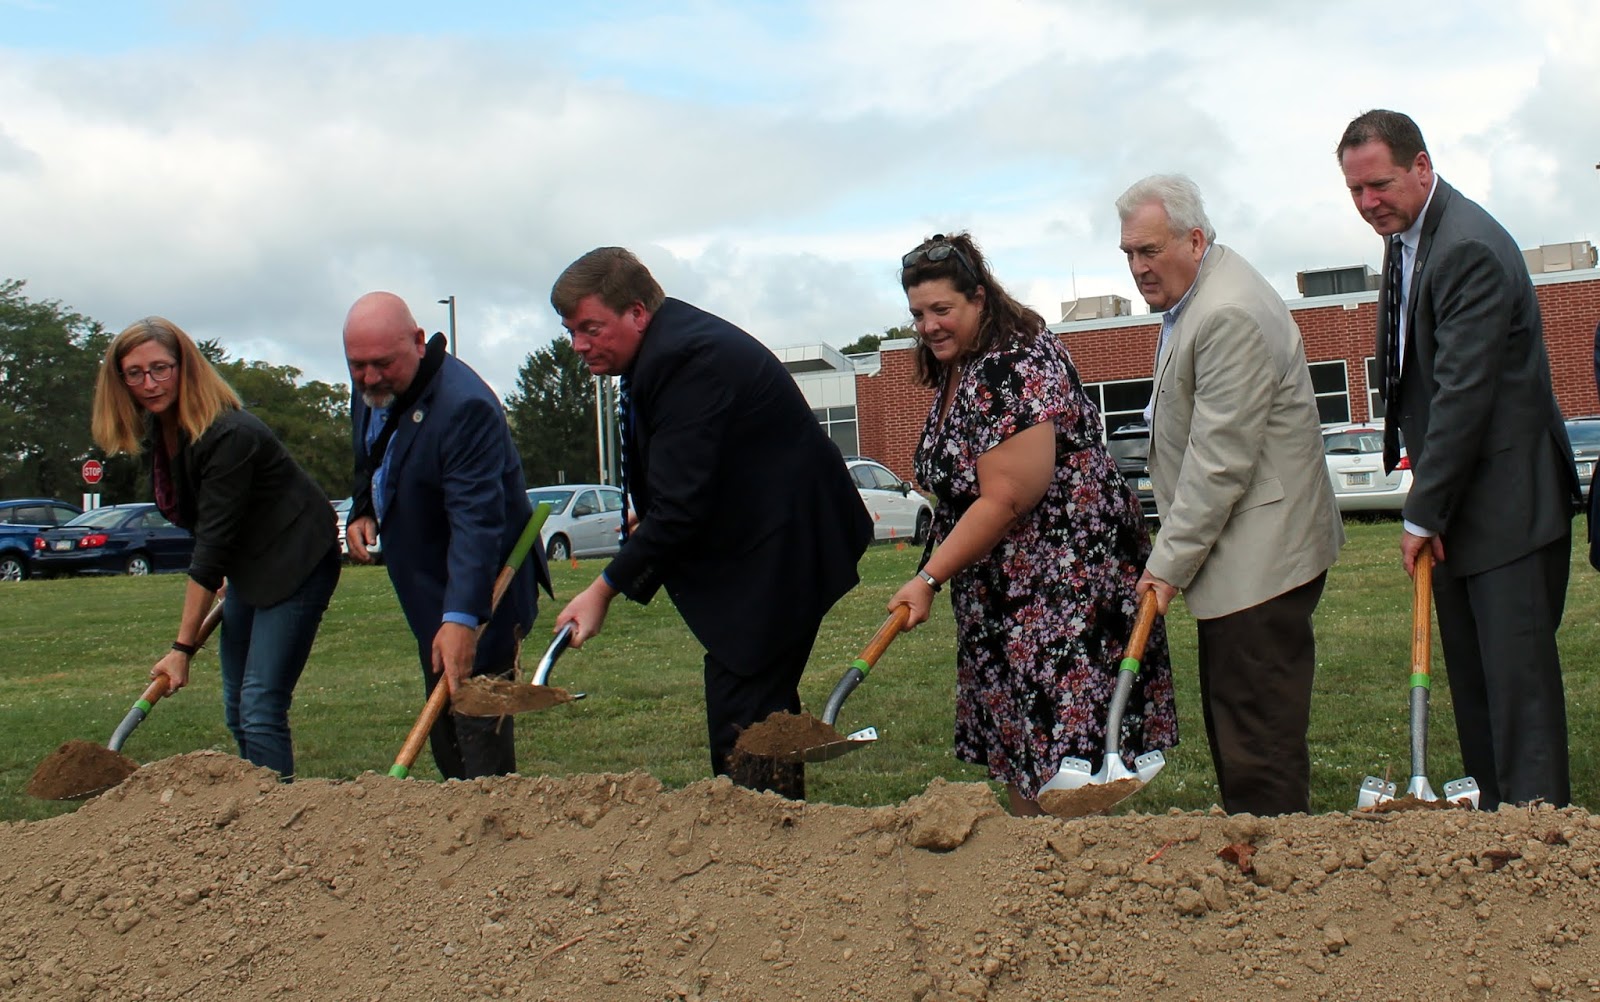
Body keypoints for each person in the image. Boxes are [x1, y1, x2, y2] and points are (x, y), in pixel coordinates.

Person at [549, 247, 872, 801]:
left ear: (636, 313)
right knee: (755, 704)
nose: (578, 345)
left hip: (786, 549)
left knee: (743, 712)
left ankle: (763, 845)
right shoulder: (667, 349)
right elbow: (698, 471)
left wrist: (602, 590)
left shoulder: (685, 359)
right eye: (571, 331)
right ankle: (775, 835)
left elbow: (681, 510)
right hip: (770, 542)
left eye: (590, 328)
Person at [885, 232, 1178, 817]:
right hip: (1003, 591)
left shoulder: (1013, 362)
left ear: (980, 299)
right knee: (1024, 741)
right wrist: (936, 570)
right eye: (918, 313)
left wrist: (930, 578)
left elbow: (1007, 498)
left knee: (1060, 750)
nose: (929, 325)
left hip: (1061, 587)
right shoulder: (958, 365)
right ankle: (1032, 869)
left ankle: (1071, 880)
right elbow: (960, 493)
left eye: (942, 310)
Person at [1337, 111, 1581, 809]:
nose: (1367, 203)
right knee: (1477, 694)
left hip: (1509, 510)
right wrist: (1436, 505)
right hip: (1465, 512)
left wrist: (1421, 511)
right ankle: (1497, 829)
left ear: (1422, 166)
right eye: (1355, 191)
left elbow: (1463, 393)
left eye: (1378, 184)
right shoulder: (1409, 241)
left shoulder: (1466, 246)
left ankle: (1540, 846)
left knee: (1518, 701)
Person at [1116, 175, 1344, 816]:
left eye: (1150, 251)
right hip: (1244, 557)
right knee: (1241, 722)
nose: (1138, 268)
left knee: (1257, 738)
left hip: (1261, 562)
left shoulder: (1226, 312)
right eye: (1129, 254)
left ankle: (1275, 873)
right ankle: (1258, 858)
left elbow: (1218, 463)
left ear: (1194, 238)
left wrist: (1166, 564)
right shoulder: (1197, 299)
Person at [91, 317, 340, 780]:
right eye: (135, 372)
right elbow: (210, 523)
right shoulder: (165, 433)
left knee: (260, 703)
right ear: (119, 379)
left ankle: (276, 820)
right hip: (250, 565)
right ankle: (256, 803)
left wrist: (181, 647)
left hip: (298, 559)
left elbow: (211, 544)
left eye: (161, 368)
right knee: (236, 707)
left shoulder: (229, 433)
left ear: (185, 367)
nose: (149, 383)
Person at [342, 292, 550, 780]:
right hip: (429, 587)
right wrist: (363, 506)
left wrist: (460, 618)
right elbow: (372, 450)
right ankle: (455, 823)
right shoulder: (372, 383)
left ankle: (492, 830)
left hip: (482, 588)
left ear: (418, 342)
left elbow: (475, 523)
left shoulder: (464, 408)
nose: (369, 378)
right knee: (445, 729)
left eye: (382, 364)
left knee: (476, 725)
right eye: (357, 366)